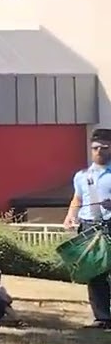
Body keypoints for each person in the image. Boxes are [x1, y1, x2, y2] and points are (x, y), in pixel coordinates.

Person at [62, 129, 111, 328]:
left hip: (110, 224)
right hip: (89, 226)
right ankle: (102, 317)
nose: (99, 151)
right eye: (95, 148)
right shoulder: (82, 176)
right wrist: (69, 216)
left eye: (104, 147)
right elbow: (78, 198)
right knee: (94, 272)